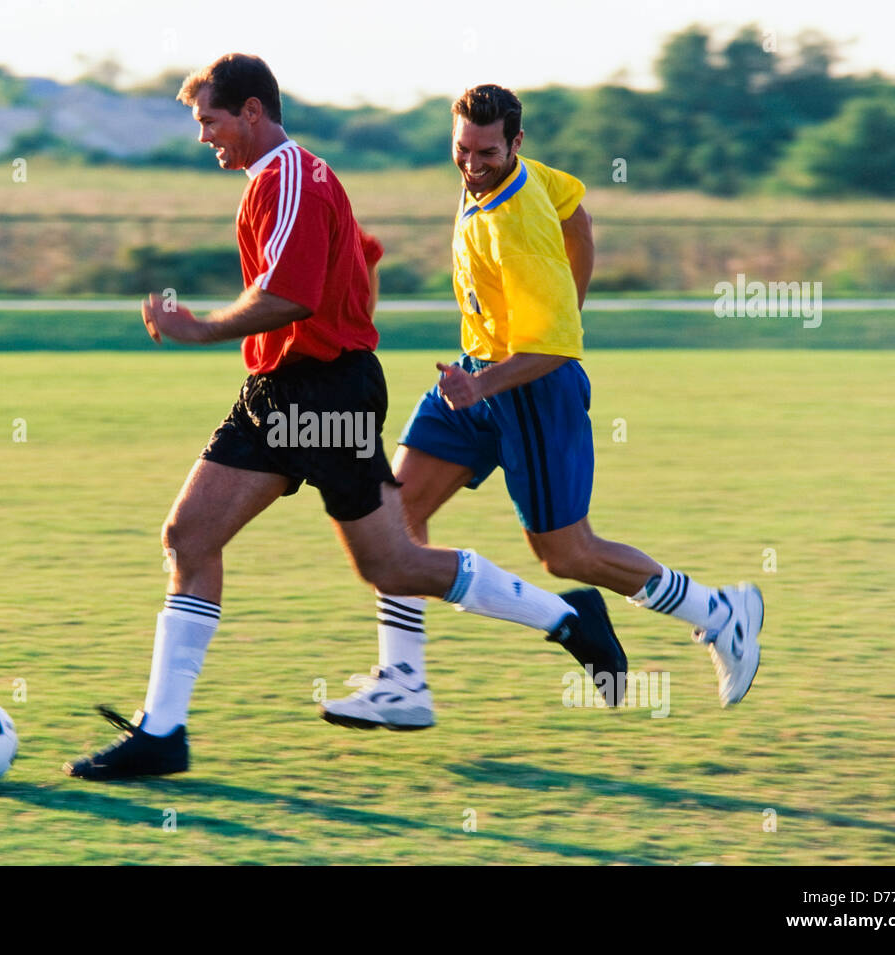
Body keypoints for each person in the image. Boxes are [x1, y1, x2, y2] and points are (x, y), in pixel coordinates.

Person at [64, 57, 625, 781]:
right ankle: (163, 732)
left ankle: (567, 619)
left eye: (211, 120)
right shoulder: (281, 182)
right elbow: (357, 255)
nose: (204, 136)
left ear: (253, 111)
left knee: (391, 562)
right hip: (279, 389)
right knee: (188, 534)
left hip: (326, 395)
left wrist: (201, 326)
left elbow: (291, 296)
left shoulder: (290, 175)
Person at [322, 84, 762, 730]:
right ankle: (403, 681)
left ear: (516, 143)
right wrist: (564, 300)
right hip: (475, 376)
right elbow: (576, 207)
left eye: (487, 152)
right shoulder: (515, 177)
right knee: (396, 514)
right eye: (462, 149)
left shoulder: (516, 224)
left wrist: (545, 328)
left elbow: (555, 348)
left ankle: (719, 611)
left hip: (530, 389)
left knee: (567, 554)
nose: (472, 163)